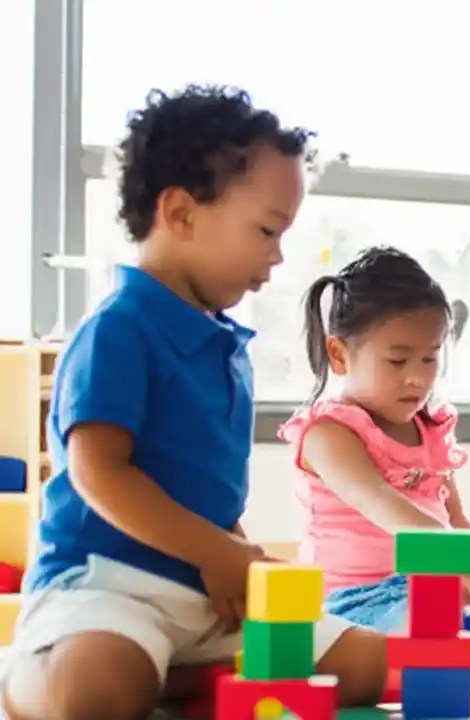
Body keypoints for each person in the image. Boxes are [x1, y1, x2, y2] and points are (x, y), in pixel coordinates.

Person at [0, 85, 387, 720]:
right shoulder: (120, 327)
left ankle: (176, 679)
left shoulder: (223, 346)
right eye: (266, 230)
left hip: (198, 601)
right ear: (180, 213)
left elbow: (203, 492)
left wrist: (237, 557)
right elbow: (100, 474)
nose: (277, 256)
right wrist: (219, 554)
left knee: (365, 664)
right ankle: (30, 675)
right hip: (104, 589)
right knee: (96, 692)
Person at [278, 246, 470, 659]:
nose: (417, 377)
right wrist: (465, 563)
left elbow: (456, 518)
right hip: (354, 602)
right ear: (339, 354)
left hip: (432, 585)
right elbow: (379, 500)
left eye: (430, 358)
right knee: (450, 628)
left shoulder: (430, 429)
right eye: (397, 361)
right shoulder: (329, 433)